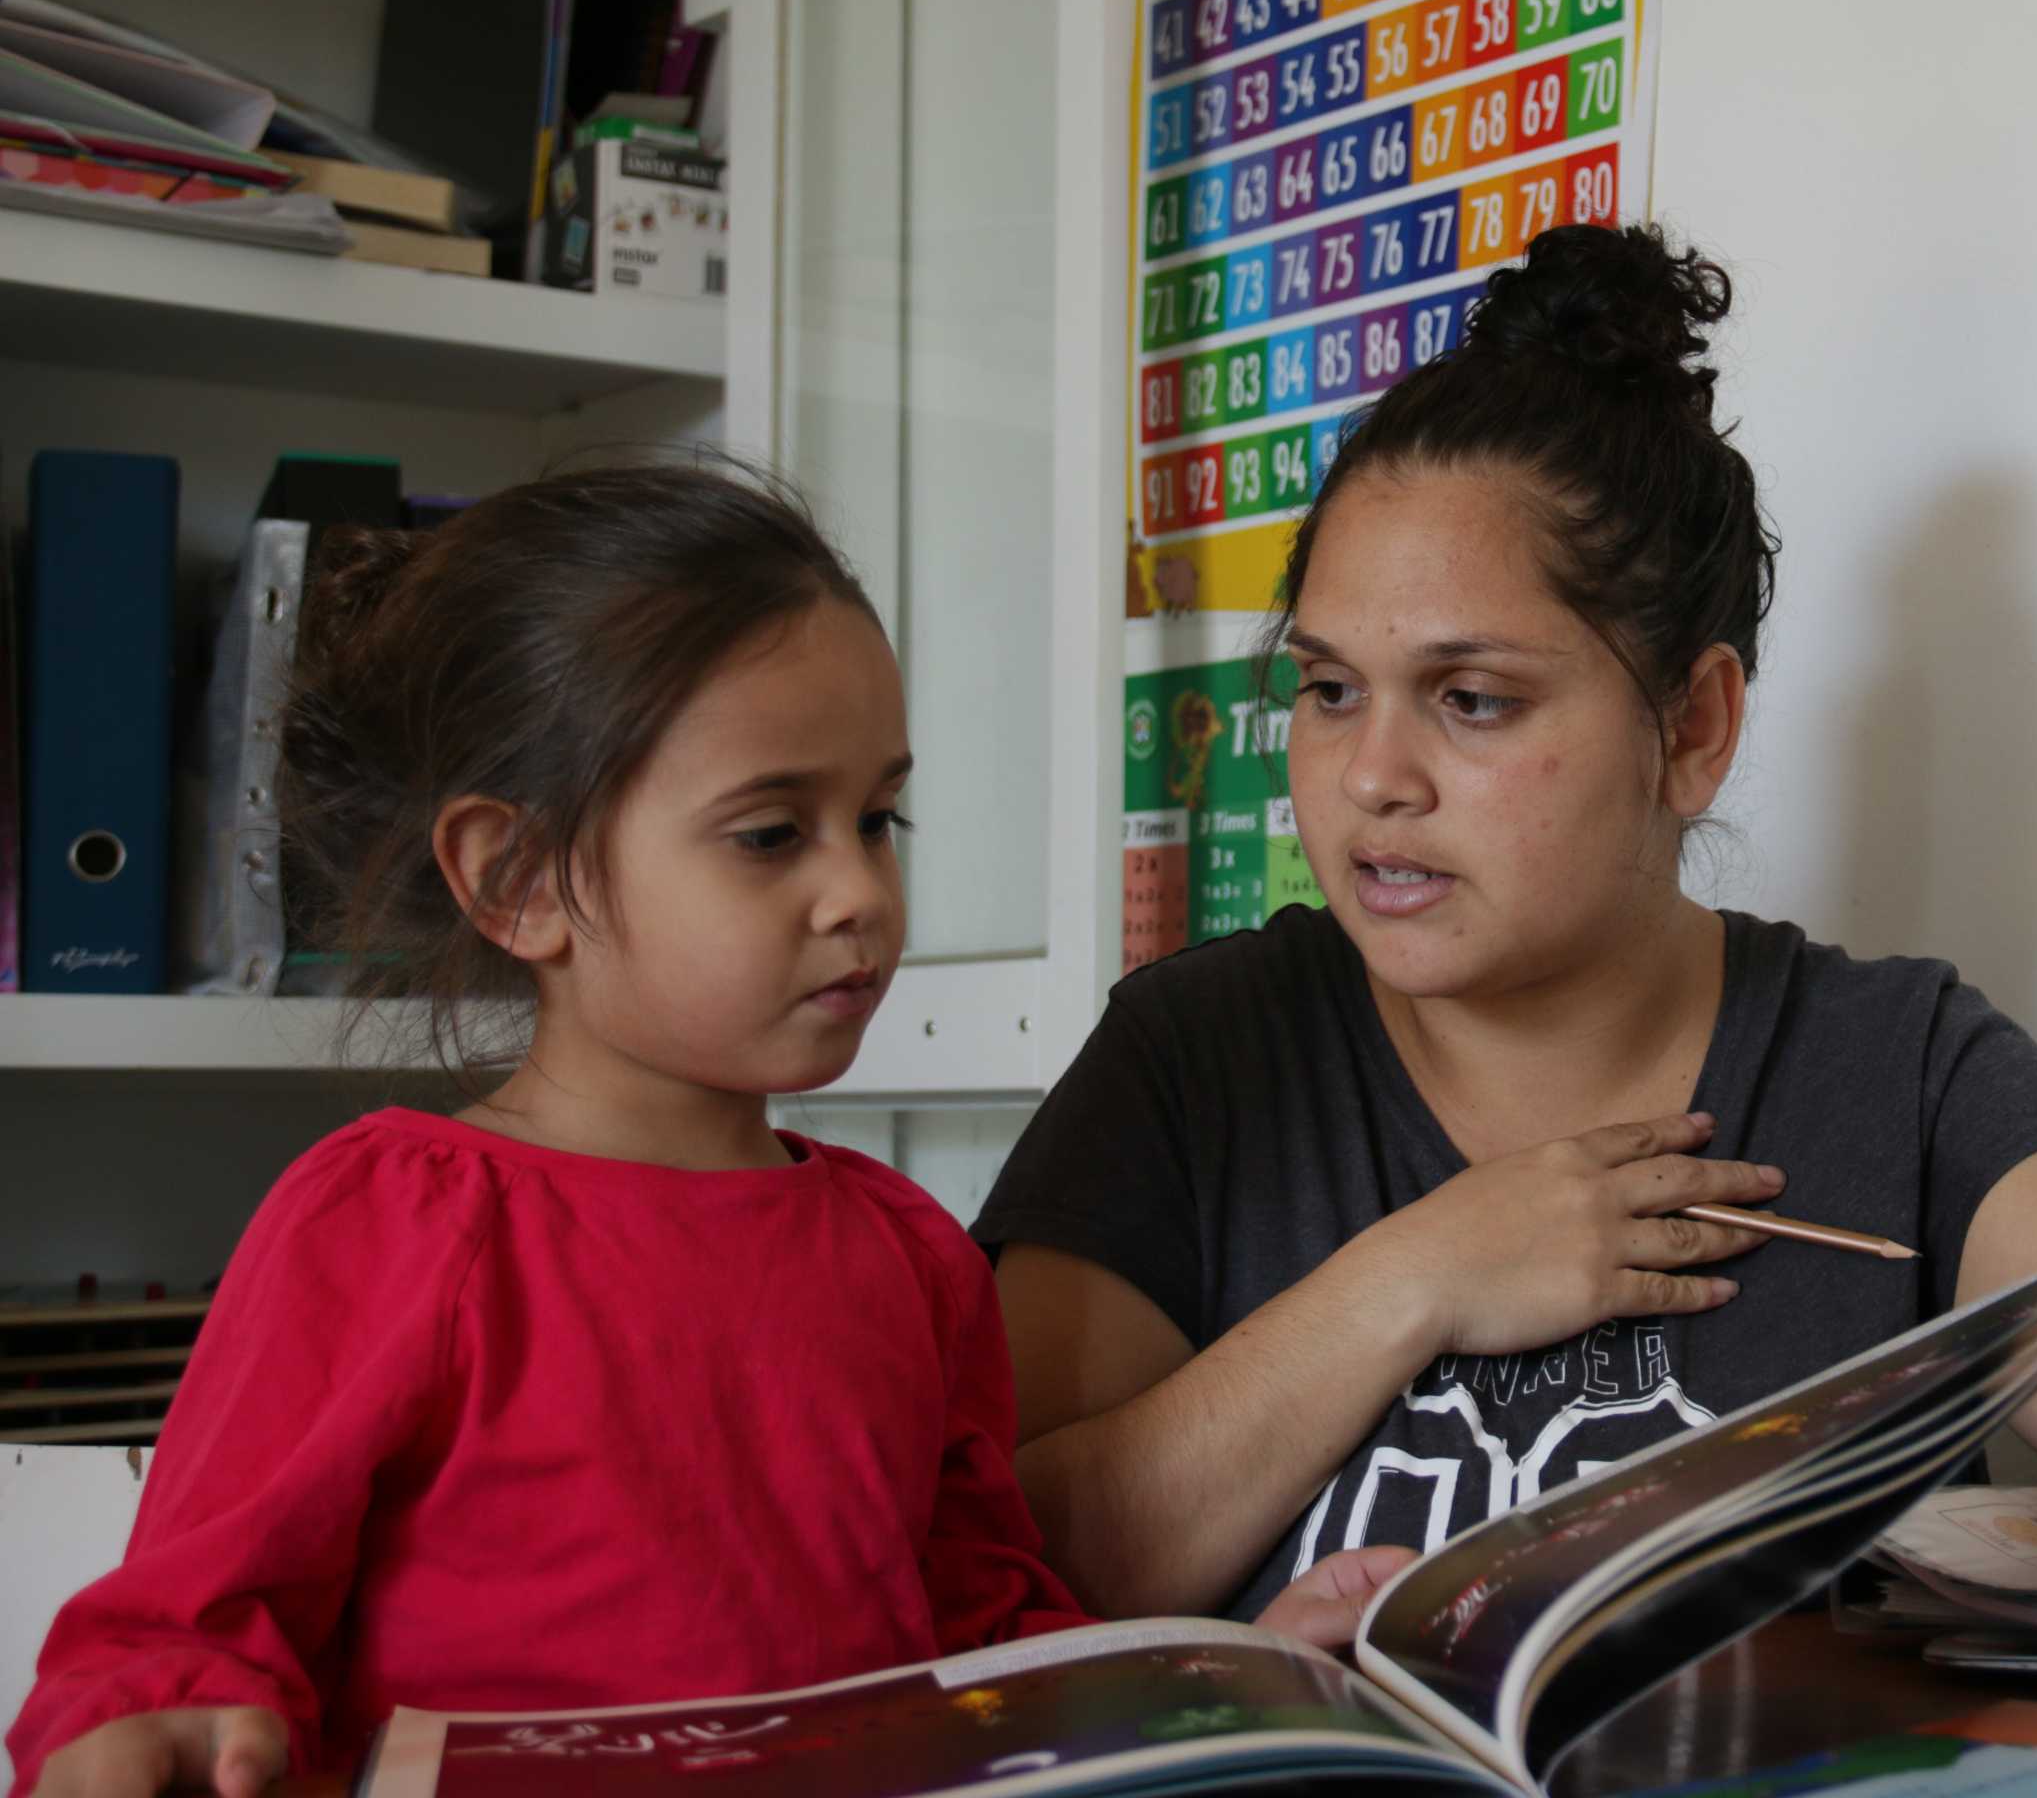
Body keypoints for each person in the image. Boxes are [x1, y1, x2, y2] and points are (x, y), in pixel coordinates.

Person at [977, 226, 2037, 1624]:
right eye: (1327, 689)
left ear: (1694, 727)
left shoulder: (1900, 1069)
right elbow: (997, 1556)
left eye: (1473, 699)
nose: (1371, 777)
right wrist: (1410, 1281)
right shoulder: (1198, 1061)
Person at [9, 463, 1400, 1798]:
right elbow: (181, 1627)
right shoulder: (386, 1226)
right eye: (770, 834)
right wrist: (158, 1729)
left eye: (878, 818)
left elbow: (987, 1646)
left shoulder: (910, 1257)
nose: (859, 893)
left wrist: (1218, 1686)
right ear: (517, 879)